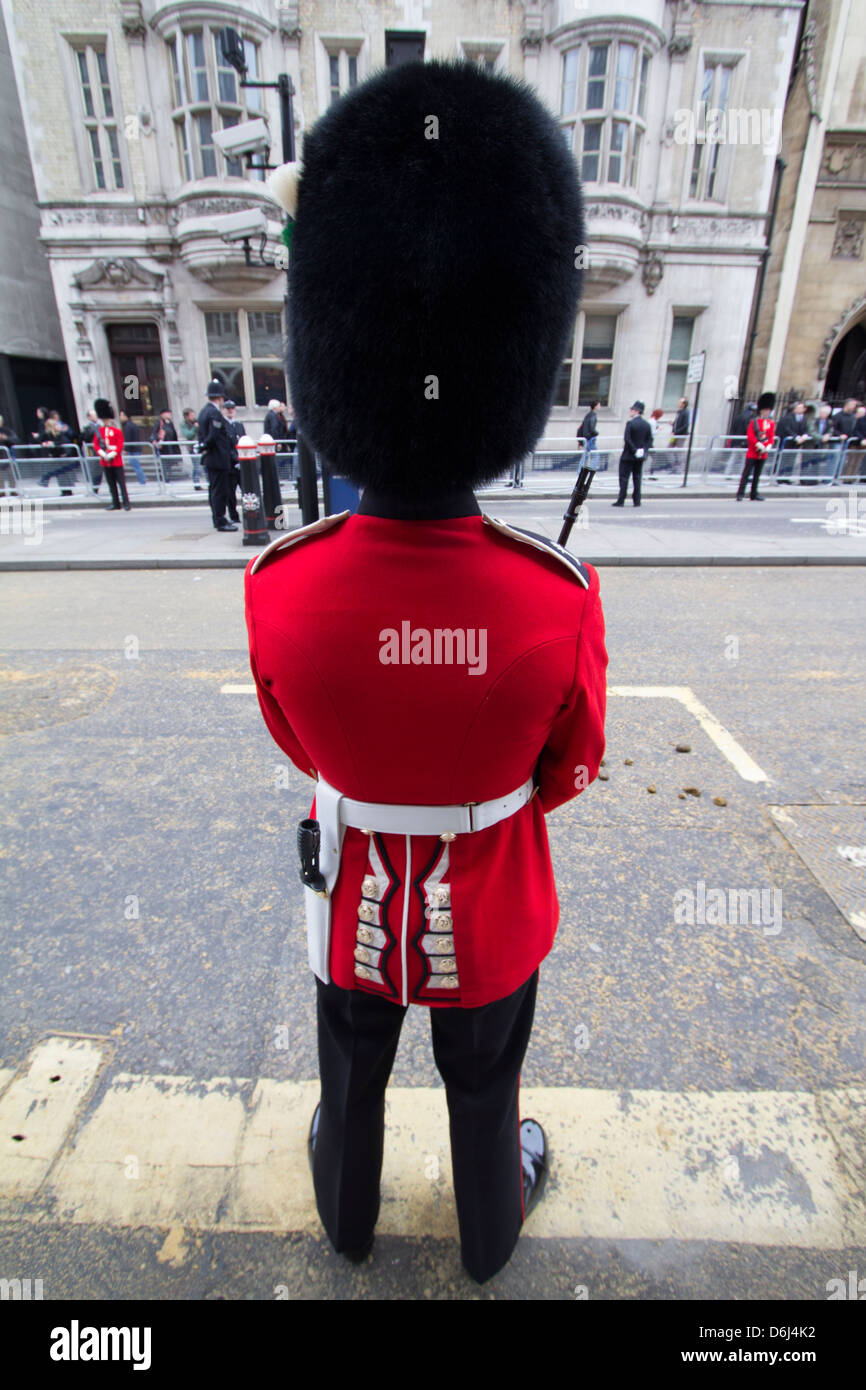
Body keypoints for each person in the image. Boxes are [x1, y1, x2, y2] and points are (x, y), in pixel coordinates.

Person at [245, 58, 608, 1285]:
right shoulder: (551, 596)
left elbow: (296, 740)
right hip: (491, 906)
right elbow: (570, 767)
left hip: (349, 900)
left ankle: (344, 1211)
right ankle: (487, 1230)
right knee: (485, 1080)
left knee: (345, 1076)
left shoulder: (279, 584)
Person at [198, 381, 237, 531]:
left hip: (211, 457)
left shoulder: (203, 412)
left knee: (214, 490)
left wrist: (203, 446)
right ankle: (220, 520)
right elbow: (213, 435)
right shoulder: (213, 413)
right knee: (219, 491)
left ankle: (218, 518)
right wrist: (205, 444)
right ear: (220, 398)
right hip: (218, 458)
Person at [92, 398, 131, 511]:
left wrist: (111, 454)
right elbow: (96, 445)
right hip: (105, 461)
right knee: (111, 484)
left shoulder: (117, 431)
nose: (105, 421)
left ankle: (126, 503)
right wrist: (103, 454)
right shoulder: (99, 431)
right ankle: (115, 503)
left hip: (116, 460)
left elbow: (119, 445)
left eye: (106, 419)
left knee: (121, 484)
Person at [736, 391, 775, 500]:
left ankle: (754, 493)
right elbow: (750, 435)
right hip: (753, 452)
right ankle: (740, 493)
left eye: (768, 410)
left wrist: (768, 446)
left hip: (763, 453)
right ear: (761, 410)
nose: (767, 412)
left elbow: (771, 436)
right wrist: (758, 444)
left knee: (757, 475)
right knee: (746, 474)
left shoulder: (771, 423)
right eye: (765, 410)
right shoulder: (754, 422)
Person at [613, 400, 652, 506]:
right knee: (637, 478)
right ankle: (637, 500)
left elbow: (627, 438)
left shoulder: (630, 423)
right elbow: (649, 440)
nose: (630, 411)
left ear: (637, 411)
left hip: (628, 455)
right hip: (639, 456)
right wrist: (643, 449)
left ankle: (621, 500)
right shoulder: (646, 425)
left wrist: (634, 450)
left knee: (624, 478)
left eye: (632, 409)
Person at [37, 412, 78, 494]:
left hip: (63, 456)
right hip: (55, 456)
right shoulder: (47, 434)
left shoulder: (60, 434)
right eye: (55, 425)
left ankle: (68, 490)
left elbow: (63, 441)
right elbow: (40, 439)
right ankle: (63, 490)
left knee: (63, 474)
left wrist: (53, 444)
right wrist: (44, 443)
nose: (58, 426)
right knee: (59, 475)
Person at [222, 399, 245, 523]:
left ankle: (250, 514)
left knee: (246, 491)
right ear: (224, 410)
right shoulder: (223, 426)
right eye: (228, 409)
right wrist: (235, 459)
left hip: (241, 464)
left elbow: (243, 441)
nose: (230, 411)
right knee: (230, 493)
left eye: (232, 409)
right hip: (230, 465)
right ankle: (233, 516)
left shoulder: (239, 425)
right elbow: (225, 446)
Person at [150, 409, 181, 481]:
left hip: (171, 445)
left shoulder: (170, 423)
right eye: (168, 413)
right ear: (163, 414)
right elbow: (154, 432)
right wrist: (155, 441)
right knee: (164, 462)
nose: (169, 415)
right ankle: (165, 477)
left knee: (170, 462)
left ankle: (169, 476)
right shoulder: (159, 422)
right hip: (164, 446)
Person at [118, 410, 147, 485]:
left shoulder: (128, 426)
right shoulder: (131, 425)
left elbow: (128, 438)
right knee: (135, 463)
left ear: (126, 416)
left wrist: (125, 449)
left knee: (135, 464)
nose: (120, 417)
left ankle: (142, 479)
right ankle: (142, 479)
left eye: (121, 415)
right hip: (135, 448)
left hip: (133, 449)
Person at [180, 407, 204, 490]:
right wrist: (195, 427)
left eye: (194, 414)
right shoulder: (184, 425)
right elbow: (188, 435)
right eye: (191, 415)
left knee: (205, 466)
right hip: (193, 448)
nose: (193, 416)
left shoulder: (198, 421)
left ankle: (208, 483)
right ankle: (196, 484)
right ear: (186, 416)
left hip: (201, 446)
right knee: (196, 466)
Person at [578, 399, 600, 469]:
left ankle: (580, 471)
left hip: (586, 438)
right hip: (590, 439)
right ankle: (591, 471)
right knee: (595, 456)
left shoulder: (588, 415)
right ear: (595, 406)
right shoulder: (593, 416)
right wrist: (597, 433)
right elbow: (592, 429)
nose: (600, 407)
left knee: (585, 456)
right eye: (599, 405)